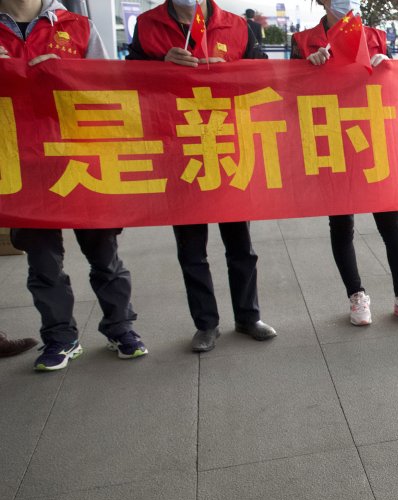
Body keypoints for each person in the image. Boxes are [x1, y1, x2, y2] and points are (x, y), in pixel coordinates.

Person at [1, 0, 149, 372]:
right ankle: (60, 338)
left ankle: (121, 328)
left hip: (81, 160)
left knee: (105, 255)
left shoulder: (78, 26)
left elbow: (107, 87)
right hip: (22, 166)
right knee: (43, 264)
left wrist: (66, 75)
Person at [127, 0, 277, 352]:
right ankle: (206, 324)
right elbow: (129, 77)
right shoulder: (148, 24)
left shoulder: (236, 25)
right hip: (178, 147)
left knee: (240, 244)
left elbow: (262, 72)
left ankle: (247, 316)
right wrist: (160, 65)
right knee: (191, 248)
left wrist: (229, 70)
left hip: (226, 146)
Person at [291, 0, 398, 327]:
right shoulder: (304, 41)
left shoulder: (376, 37)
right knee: (341, 225)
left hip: (372, 140)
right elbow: (289, 96)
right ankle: (356, 295)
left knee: (391, 223)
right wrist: (306, 69)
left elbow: (395, 94)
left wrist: (387, 69)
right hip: (331, 142)